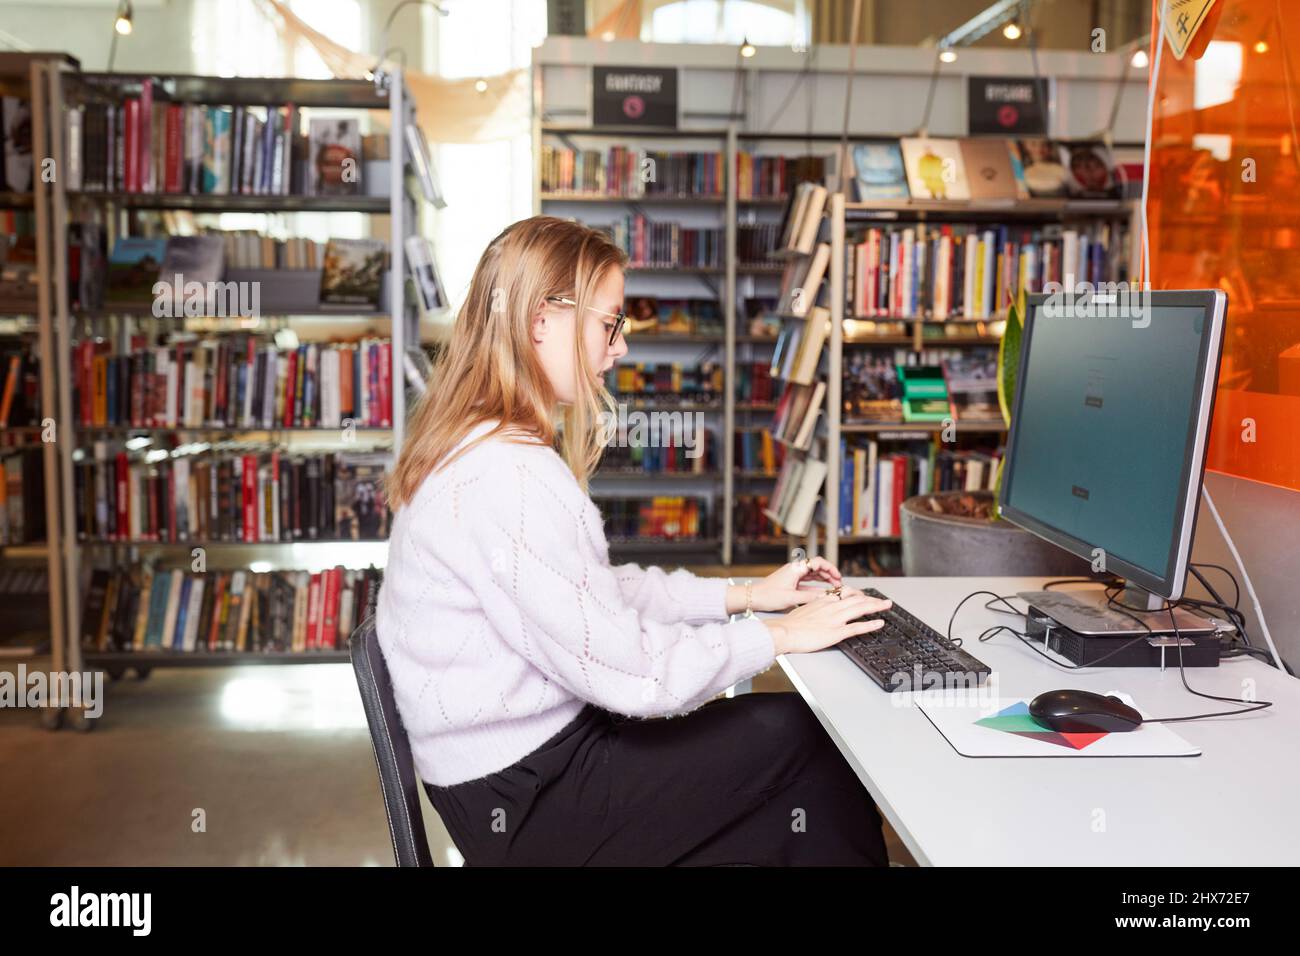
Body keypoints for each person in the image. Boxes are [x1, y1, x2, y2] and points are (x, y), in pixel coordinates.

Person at [377, 215, 893, 866]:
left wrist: (747, 596)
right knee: (803, 740)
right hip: (535, 801)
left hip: (512, 780)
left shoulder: (483, 445)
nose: (619, 347)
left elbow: (595, 598)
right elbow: (636, 674)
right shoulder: (508, 476)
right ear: (543, 322)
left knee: (793, 777)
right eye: (609, 323)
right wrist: (782, 636)